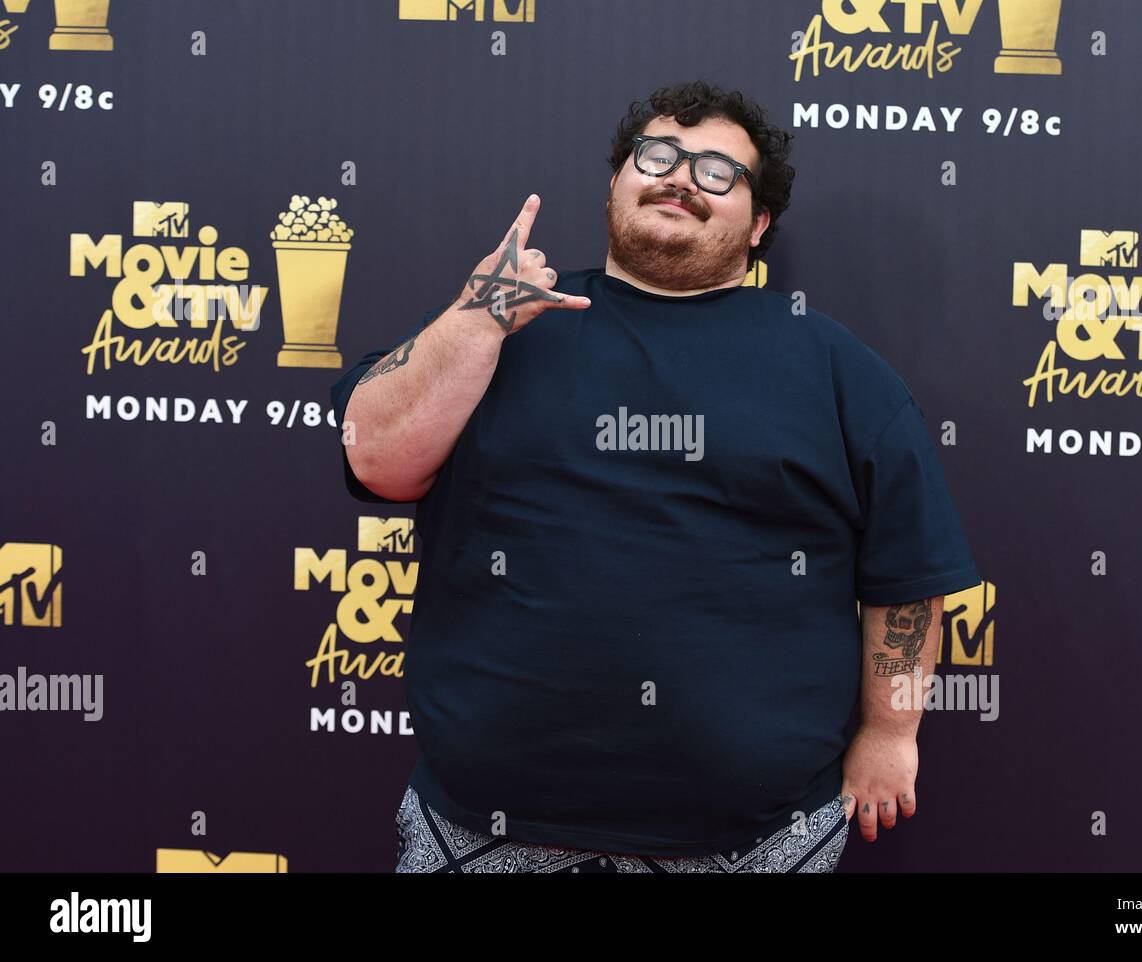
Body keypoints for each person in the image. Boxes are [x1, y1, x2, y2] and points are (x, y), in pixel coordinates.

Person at [329, 80, 982, 874]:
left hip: (751, 841)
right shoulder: (498, 328)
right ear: (617, 181)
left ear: (760, 224)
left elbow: (908, 578)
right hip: (481, 827)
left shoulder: (841, 372)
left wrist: (892, 732)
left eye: (717, 172)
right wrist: (478, 315)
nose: (679, 177)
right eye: (659, 155)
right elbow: (376, 461)